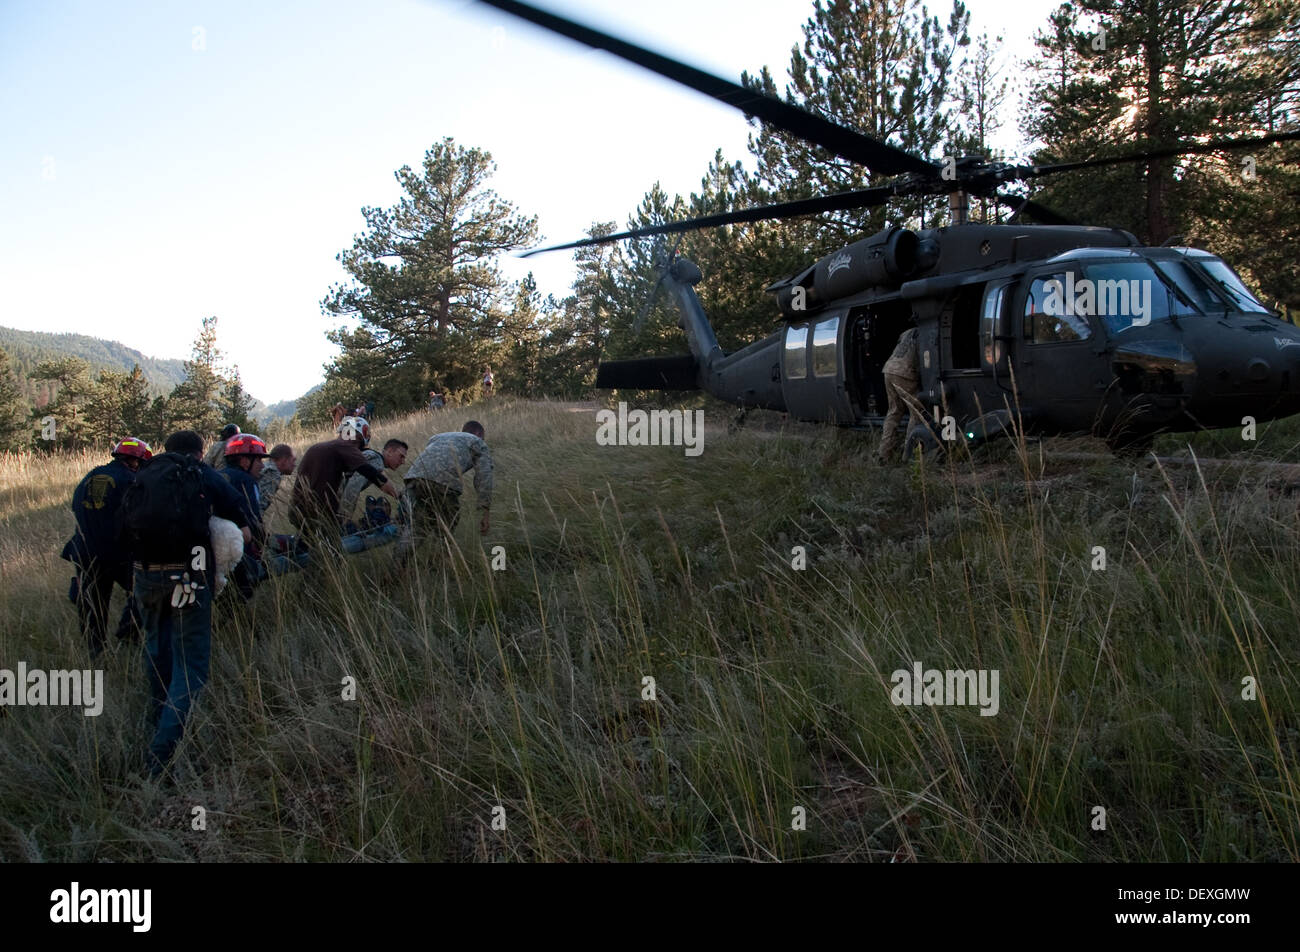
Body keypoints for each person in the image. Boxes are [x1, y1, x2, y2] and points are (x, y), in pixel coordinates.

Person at [120, 429, 251, 779]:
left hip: (145, 574)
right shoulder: (199, 471)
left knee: (157, 650)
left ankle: (157, 723)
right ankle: (161, 758)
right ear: (200, 451)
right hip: (190, 574)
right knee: (190, 665)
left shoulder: (144, 473)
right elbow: (239, 515)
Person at [60, 437, 151, 658]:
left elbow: (75, 507)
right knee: (144, 591)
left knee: (92, 605)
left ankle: (95, 651)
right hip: (119, 553)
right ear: (136, 462)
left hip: (85, 551)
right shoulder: (132, 481)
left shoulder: (89, 476)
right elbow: (139, 517)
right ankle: (128, 634)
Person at [290, 417, 398, 557]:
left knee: (309, 551)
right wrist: (396, 493)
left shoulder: (318, 448)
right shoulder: (345, 446)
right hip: (320, 515)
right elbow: (367, 474)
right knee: (332, 556)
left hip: (296, 510)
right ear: (361, 435)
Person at [398, 421, 493, 562]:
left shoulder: (437, 437)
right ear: (479, 434)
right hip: (443, 483)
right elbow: (484, 477)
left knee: (418, 526)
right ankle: (439, 561)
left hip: (414, 479)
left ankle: (396, 567)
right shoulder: (478, 442)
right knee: (447, 525)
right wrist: (485, 513)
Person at [222, 433, 272, 599]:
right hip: (239, 548)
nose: (262, 466)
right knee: (244, 589)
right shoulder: (247, 481)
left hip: (215, 548)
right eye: (258, 460)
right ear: (244, 461)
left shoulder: (219, 475)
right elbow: (252, 518)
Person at [878, 327, 925, 464]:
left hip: (889, 370)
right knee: (916, 410)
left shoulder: (906, 332)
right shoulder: (925, 330)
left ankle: (884, 453)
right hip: (904, 372)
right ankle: (908, 454)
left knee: (894, 411)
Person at [340, 438, 408, 533]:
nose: (403, 461)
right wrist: (343, 519)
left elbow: (384, 483)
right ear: (390, 451)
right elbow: (353, 487)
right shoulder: (376, 459)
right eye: (401, 456)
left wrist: (401, 496)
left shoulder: (373, 457)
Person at [257, 443, 296, 516]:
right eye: (293, 460)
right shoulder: (273, 473)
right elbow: (260, 505)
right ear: (284, 460)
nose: (295, 464)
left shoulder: (265, 466)